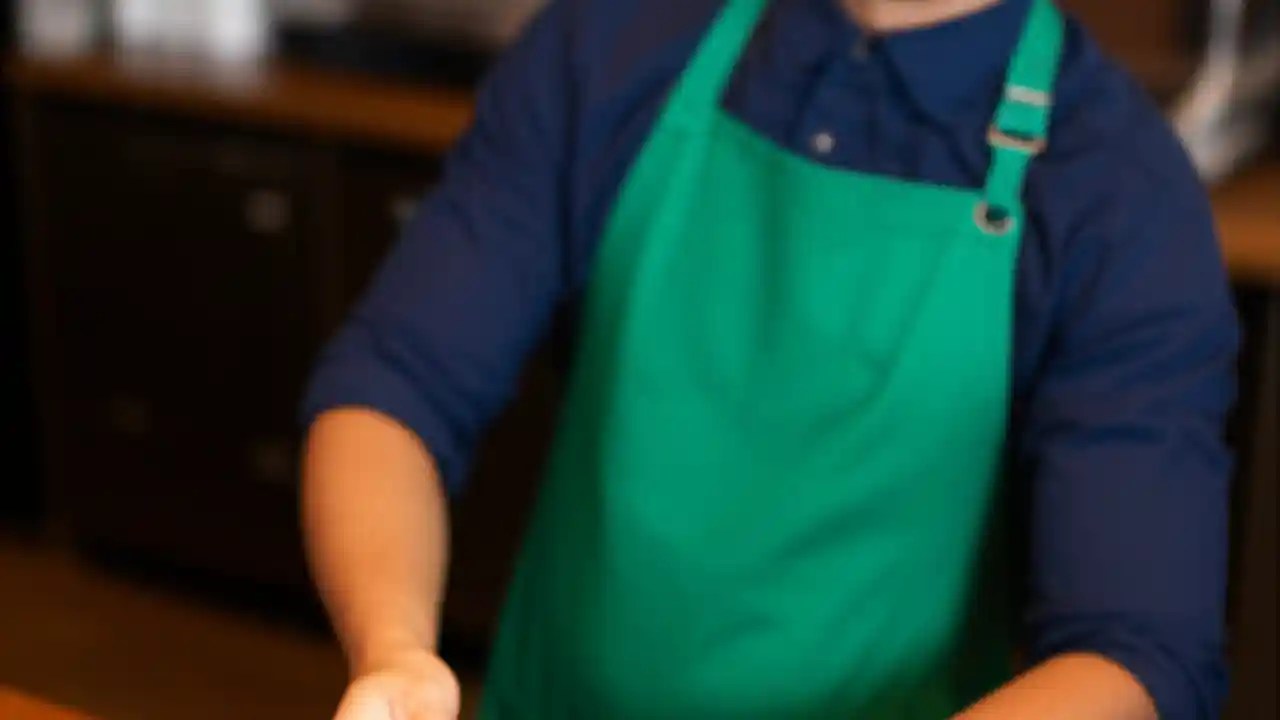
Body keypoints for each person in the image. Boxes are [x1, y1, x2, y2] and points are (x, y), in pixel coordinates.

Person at [300, 0, 1239, 718]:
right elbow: (396, 383)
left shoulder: (1122, 196)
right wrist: (394, 651)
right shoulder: (612, 42)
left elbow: (1134, 645)